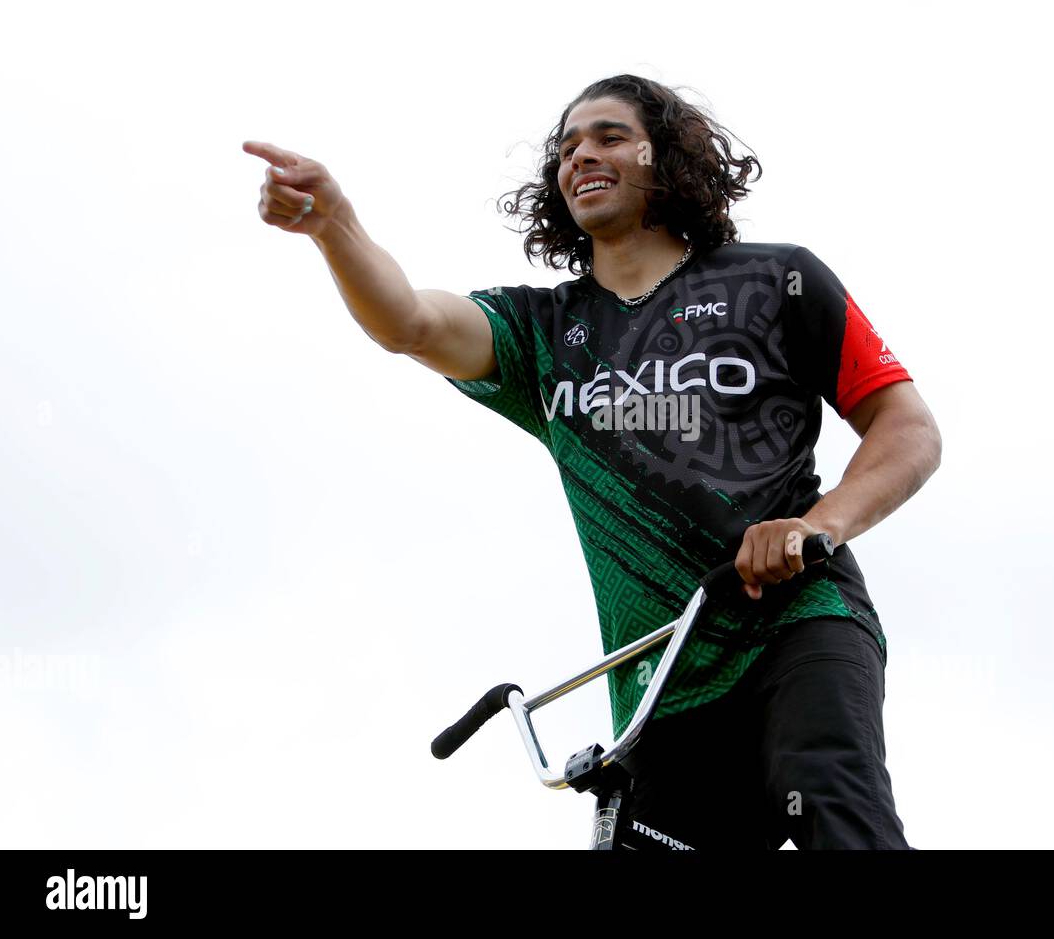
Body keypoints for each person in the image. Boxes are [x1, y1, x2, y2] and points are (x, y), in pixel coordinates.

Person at [243, 74, 942, 850]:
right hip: (662, 682)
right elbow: (408, 321)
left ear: (666, 156)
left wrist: (816, 526)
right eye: (567, 148)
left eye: (609, 136)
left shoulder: (775, 282)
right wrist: (335, 224)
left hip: (799, 626)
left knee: (832, 808)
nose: (582, 156)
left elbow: (907, 429)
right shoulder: (543, 332)